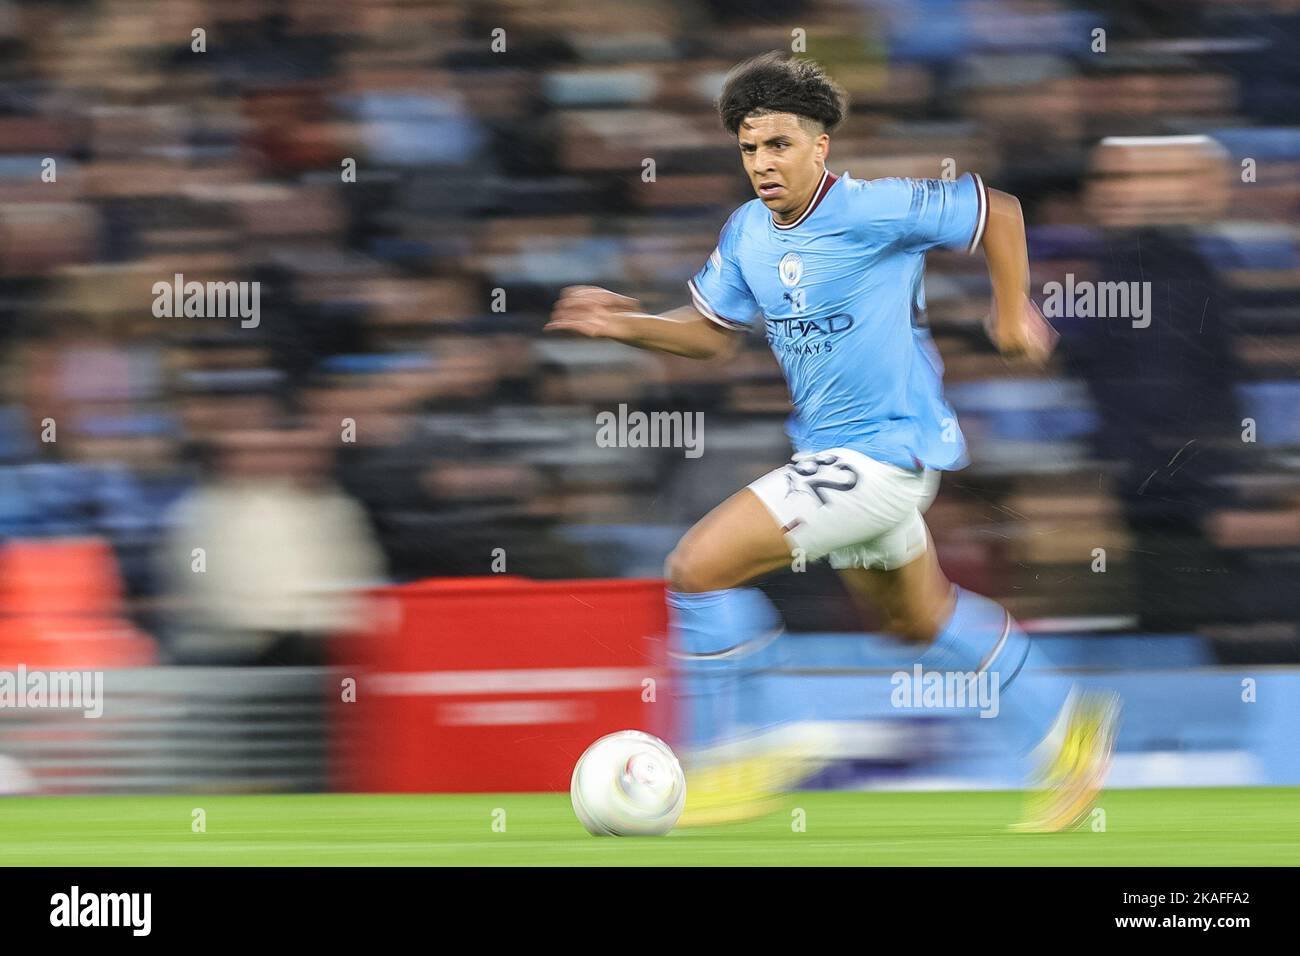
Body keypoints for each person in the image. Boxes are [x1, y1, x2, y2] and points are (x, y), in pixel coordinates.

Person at [546, 53, 1117, 831]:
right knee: (920, 622)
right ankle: (1067, 729)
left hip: (884, 455)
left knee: (695, 568)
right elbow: (713, 337)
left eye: (779, 145)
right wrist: (622, 325)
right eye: (749, 149)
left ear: (821, 148)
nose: (762, 164)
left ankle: (752, 743)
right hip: (836, 461)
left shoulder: (874, 208)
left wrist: (1011, 312)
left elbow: (996, 209)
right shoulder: (748, 232)